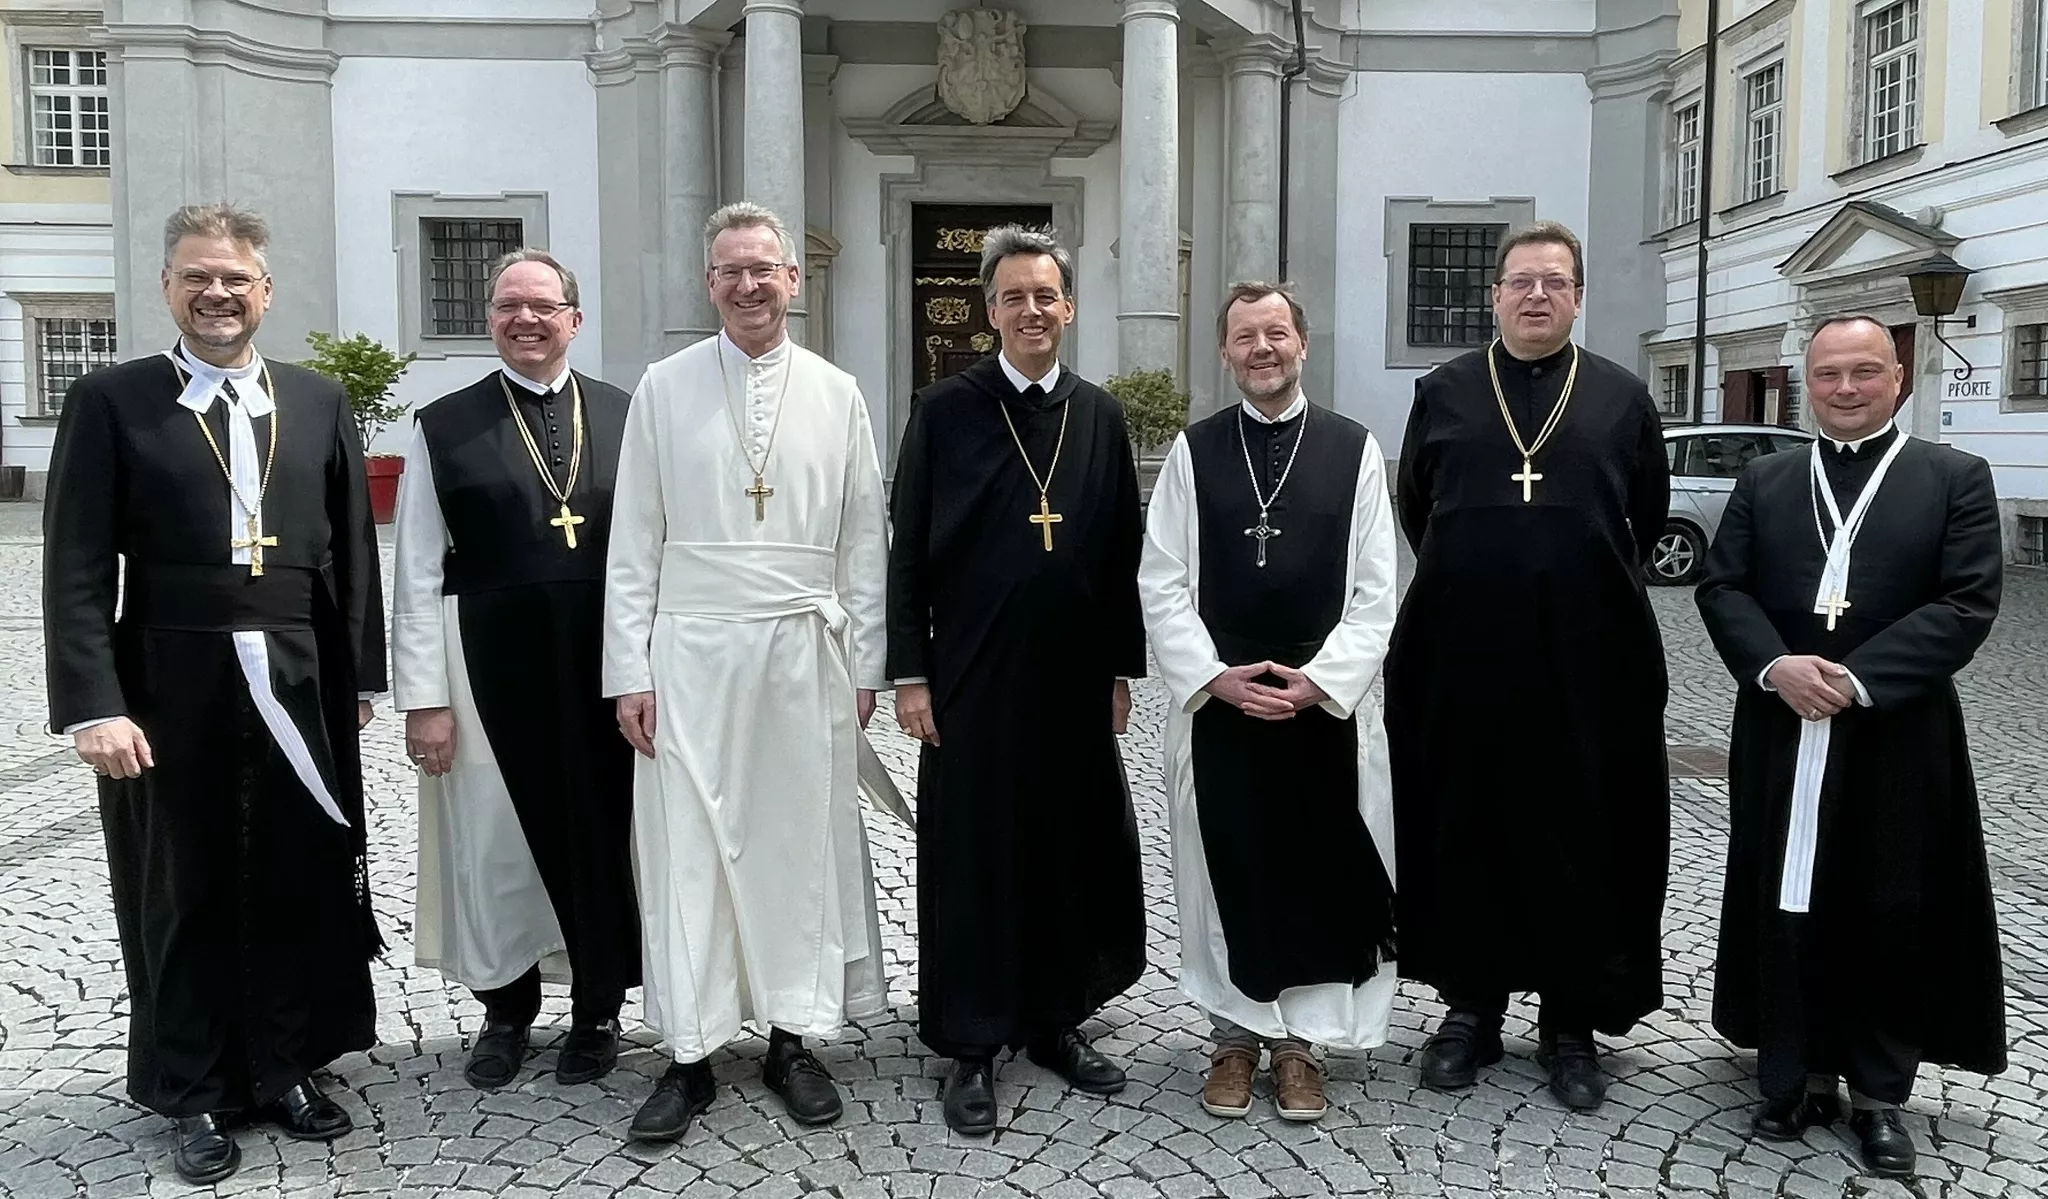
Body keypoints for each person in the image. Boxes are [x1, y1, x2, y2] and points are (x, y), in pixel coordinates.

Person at [42, 204, 384, 1183]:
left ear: (265, 290)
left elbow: (350, 548)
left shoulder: (316, 401)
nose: (218, 292)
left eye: (235, 277)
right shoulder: (113, 400)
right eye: (198, 275)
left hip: (293, 673)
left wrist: (358, 676)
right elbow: (73, 562)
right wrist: (92, 701)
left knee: (288, 876)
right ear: (167, 287)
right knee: (177, 885)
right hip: (166, 675)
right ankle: (189, 1086)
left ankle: (280, 1066)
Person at [602, 201, 890, 1141]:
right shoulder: (663, 386)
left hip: (804, 650)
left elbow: (862, 543)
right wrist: (627, 671)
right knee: (687, 843)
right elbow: (634, 541)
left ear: (794, 281)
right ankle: (687, 1051)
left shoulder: (839, 391)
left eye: (765, 268)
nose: (749, 284)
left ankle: (792, 1038)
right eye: (730, 270)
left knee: (795, 841)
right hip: (688, 650)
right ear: (709, 282)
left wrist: (866, 667)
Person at [1695, 314, 2005, 1178]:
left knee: (1888, 897)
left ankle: (1878, 1094)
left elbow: (1967, 603)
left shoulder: (1953, 478)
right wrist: (1773, 665)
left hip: (1895, 734)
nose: (1844, 388)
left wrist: (1855, 680)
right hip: (1780, 726)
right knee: (1785, 894)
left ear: (1897, 378)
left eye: (1864, 372)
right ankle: (1792, 1074)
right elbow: (1722, 587)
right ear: (1808, 381)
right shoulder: (1768, 477)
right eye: (1828, 374)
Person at [1385, 219, 1670, 1111]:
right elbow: (1417, 506)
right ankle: (1471, 1006)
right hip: (1463, 661)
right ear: (1495, 294)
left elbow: (1646, 518)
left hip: (1589, 667)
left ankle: (1570, 1019)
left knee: (1581, 834)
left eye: (1555, 280)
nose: (1537, 294)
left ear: (1579, 295)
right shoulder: (1445, 391)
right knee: (1467, 826)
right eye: (1521, 281)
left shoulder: (1623, 398)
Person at [886, 223, 1147, 1136]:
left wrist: (1121, 669)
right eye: (1013, 297)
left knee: (1065, 844)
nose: (1031, 310)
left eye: (1046, 295)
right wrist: (910, 673)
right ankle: (970, 1039)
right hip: (969, 674)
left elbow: (1121, 555)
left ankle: (1054, 1018)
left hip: (1073, 677)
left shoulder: (1102, 415)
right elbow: (907, 549)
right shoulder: (944, 410)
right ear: (988, 310)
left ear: (1068, 307)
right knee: (974, 852)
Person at [1138, 282, 1399, 1123]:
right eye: (1246, 336)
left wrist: (1318, 682)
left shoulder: (1353, 449)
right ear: (1225, 352)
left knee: (1319, 873)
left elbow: (1375, 589)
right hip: (1221, 705)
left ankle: (1300, 1048)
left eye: (1277, 333)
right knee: (1225, 872)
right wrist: (1215, 676)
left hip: (1318, 710)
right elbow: (1164, 582)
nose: (1263, 348)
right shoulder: (1193, 450)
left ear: (1303, 344)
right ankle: (1234, 1037)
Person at [392, 249, 640, 1091]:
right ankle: (506, 1007)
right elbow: (418, 564)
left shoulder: (625, 413)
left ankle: (600, 1005)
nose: (525, 320)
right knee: (495, 842)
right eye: (507, 307)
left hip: (603, 661)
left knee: (603, 834)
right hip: (485, 669)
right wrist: (423, 698)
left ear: (575, 317)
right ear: (489, 319)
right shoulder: (444, 423)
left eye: (542, 306)